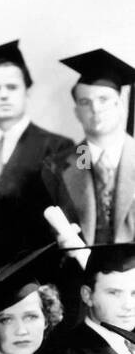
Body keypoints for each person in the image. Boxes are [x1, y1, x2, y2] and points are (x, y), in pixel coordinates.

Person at [0, 41, 72, 267]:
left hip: (31, 273)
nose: (4, 95)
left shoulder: (58, 147)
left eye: (12, 87)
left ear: (27, 91)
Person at [42, 49, 135, 247]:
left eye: (103, 99)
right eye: (85, 102)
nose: (95, 109)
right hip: (80, 274)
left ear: (120, 103)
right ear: (77, 112)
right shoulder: (56, 166)